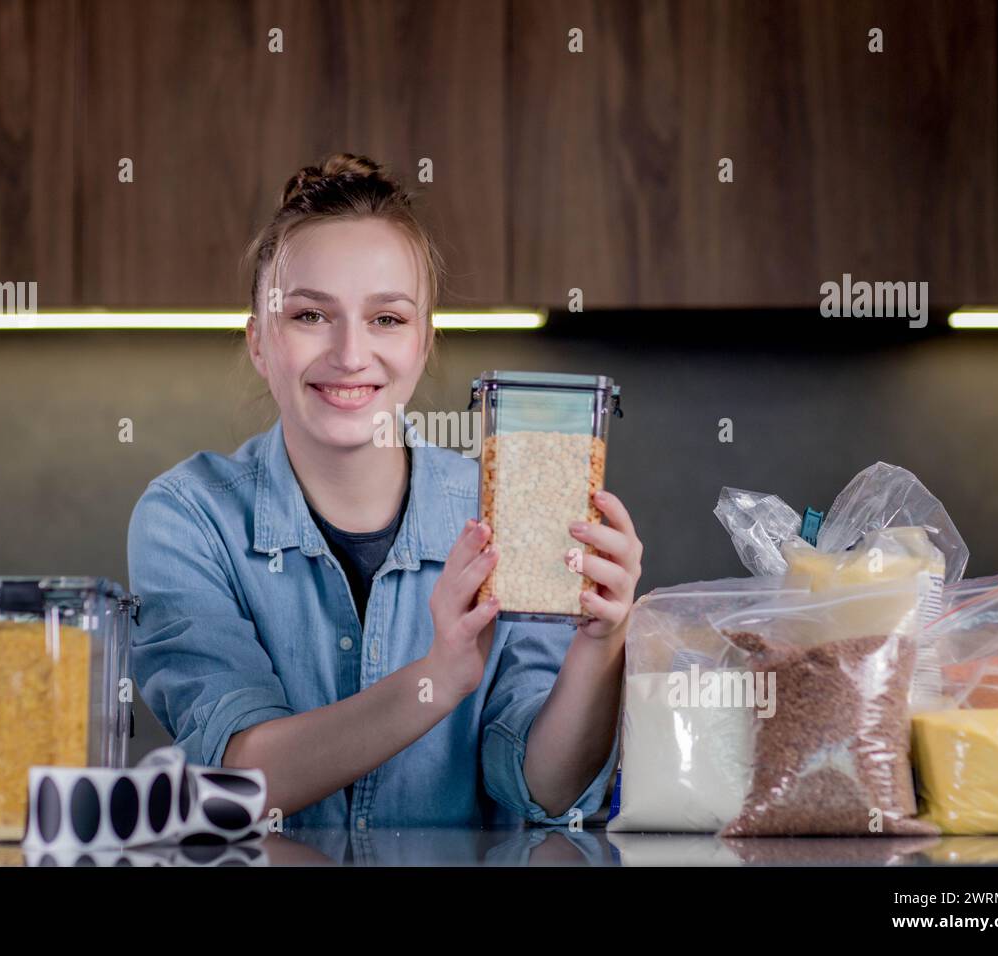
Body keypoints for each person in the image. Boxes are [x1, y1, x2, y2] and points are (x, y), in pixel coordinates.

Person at [127, 153, 643, 830]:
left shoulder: (503, 515)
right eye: (310, 315)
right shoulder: (188, 518)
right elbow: (240, 780)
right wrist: (439, 679)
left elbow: (543, 789)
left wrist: (600, 645)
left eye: (388, 319)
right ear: (259, 342)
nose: (349, 353)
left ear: (424, 342)